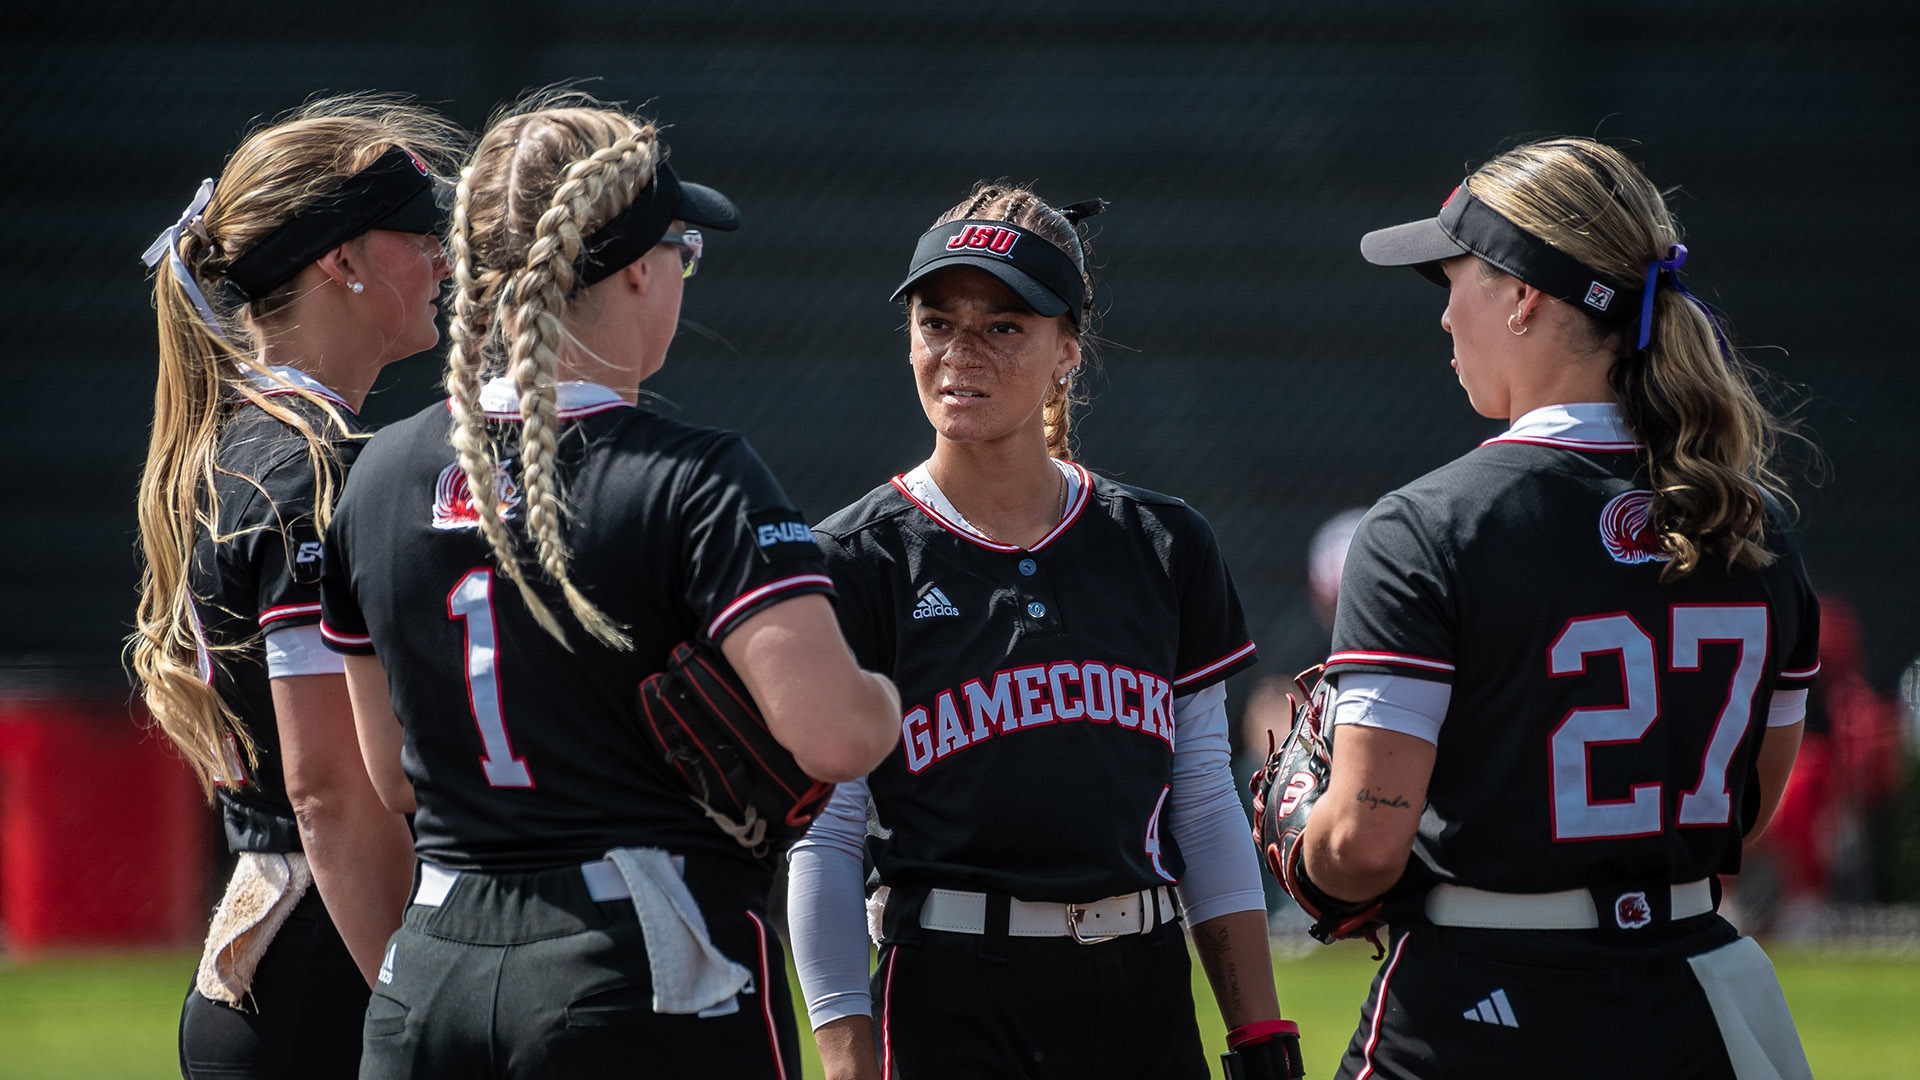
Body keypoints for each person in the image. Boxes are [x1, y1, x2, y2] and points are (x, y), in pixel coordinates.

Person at [315, 94, 900, 1079]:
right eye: (683, 251)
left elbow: (391, 774)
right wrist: (883, 695)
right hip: (641, 964)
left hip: (433, 972)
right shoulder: (694, 477)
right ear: (638, 265)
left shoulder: (376, 476)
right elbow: (835, 738)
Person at [1298, 137, 1821, 1079]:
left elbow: (1364, 851)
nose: (1446, 318)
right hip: (1700, 996)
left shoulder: (1425, 526)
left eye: (1451, 279)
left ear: (1523, 293)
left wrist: (1305, 830)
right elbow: (1743, 817)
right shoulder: (1758, 524)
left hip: (1481, 1004)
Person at [789, 184, 1298, 1080]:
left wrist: (1261, 1034)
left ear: (1068, 350)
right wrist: (849, 1062)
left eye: (1004, 327)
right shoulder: (856, 557)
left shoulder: (1163, 542)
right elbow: (827, 838)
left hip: (1141, 988)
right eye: (937, 322)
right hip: (948, 991)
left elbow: (1205, 802)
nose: (960, 354)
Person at [130, 96, 465, 1079]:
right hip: (328, 975)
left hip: (278, 955)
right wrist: (416, 1005)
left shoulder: (244, 443)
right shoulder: (310, 468)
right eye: (421, 236)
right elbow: (329, 791)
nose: (443, 260)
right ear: (343, 262)